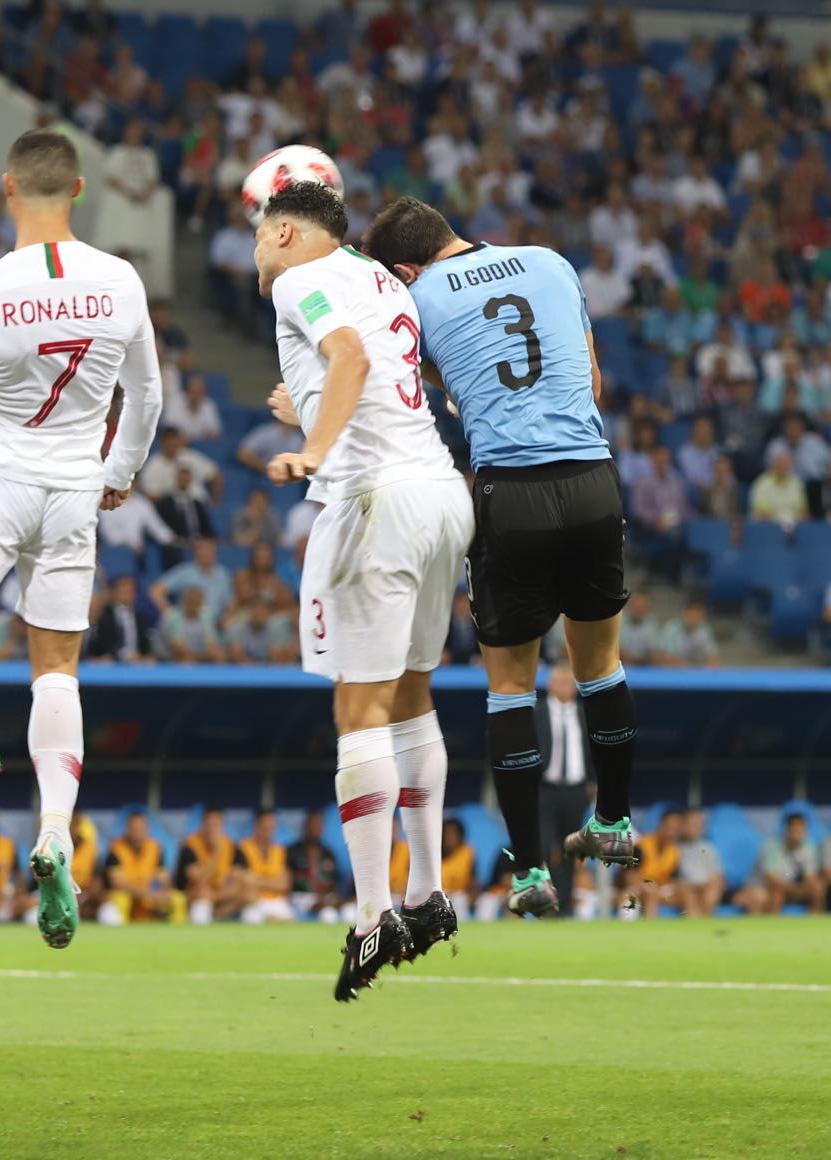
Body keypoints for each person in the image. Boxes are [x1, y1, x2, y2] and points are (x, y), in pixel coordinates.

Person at [0, 130, 162, 952]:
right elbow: (146, 397)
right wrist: (118, 471)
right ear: (78, 187)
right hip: (75, 492)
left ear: (6, 187)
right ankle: (53, 836)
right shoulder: (120, 282)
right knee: (57, 670)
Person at [364, 196, 641, 918]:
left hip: (509, 494)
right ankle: (612, 820)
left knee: (511, 684)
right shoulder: (550, 261)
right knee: (600, 664)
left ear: (402, 267)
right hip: (590, 481)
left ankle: (528, 872)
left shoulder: (417, 298)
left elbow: (395, 391)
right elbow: (593, 383)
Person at [254, 184, 473, 1000]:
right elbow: (378, 375)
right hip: (439, 494)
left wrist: (313, 447)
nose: (256, 261)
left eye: (257, 243)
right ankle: (427, 892)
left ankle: (374, 911)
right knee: (413, 696)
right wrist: (308, 410)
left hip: (373, 498)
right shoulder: (384, 279)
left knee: (360, 710)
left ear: (284, 232)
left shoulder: (298, 281)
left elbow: (348, 359)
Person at [535, 664, 592, 912]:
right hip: (546, 790)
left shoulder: (584, 713)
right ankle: (547, 902)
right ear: (550, 685)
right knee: (546, 846)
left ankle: (565, 906)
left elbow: (594, 750)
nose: (567, 688)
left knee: (572, 849)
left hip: (576, 791)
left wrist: (592, 781)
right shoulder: (537, 713)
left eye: (571, 683)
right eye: (561, 682)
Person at [737, 812, 824, 915]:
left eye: (801, 829)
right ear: (787, 830)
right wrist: (794, 889)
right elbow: (773, 881)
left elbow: (810, 878)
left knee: (817, 888)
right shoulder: (772, 848)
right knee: (776, 893)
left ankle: (813, 925)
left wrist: (800, 889)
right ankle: (770, 927)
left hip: (790, 888)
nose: (798, 832)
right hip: (765, 888)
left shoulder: (810, 847)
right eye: (795, 828)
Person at [99, 811, 177, 924]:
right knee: (120, 900)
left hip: (149, 895)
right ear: (127, 830)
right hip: (127, 895)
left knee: (175, 899)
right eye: (134, 829)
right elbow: (118, 884)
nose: (138, 833)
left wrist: (164, 892)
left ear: (147, 830)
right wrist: (146, 894)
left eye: (141, 829)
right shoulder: (116, 849)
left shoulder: (155, 847)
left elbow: (164, 877)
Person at [176, 806, 240, 924]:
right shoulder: (190, 845)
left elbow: (237, 879)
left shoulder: (231, 845)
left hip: (221, 895)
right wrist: (216, 852)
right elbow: (199, 880)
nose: (212, 830)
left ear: (222, 827)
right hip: (194, 895)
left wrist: (218, 894)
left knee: (248, 893)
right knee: (202, 893)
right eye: (209, 825)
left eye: (216, 826)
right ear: (202, 825)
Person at [235, 808, 294, 924]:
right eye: (265, 827)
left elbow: (284, 884)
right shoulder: (243, 848)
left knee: (290, 921)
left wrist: (256, 879)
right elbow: (242, 880)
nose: (269, 830)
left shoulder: (279, 850)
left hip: (277, 901)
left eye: (272, 827)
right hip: (254, 900)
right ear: (256, 826)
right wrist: (273, 882)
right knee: (252, 917)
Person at [674, 808, 725, 917]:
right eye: (690, 824)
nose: (694, 828)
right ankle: (693, 926)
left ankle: (706, 924)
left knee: (713, 890)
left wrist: (710, 884)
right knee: (687, 894)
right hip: (683, 889)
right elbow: (673, 879)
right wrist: (695, 886)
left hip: (705, 888)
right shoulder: (674, 848)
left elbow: (718, 876)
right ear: (682, 825)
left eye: (698, 825)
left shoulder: (708, 848)